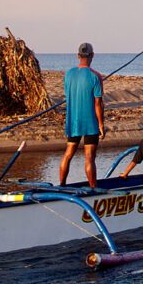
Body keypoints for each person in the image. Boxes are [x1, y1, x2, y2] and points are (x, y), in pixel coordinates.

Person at [58, 42, 105, 188]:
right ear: (92, 55)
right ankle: (93, 189)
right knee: (89, 158)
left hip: (73, 121)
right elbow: (98, 104)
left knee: (68, 154)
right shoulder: (96, 76)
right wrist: (101, 125)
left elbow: (68, 94)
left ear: (78, 56)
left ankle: (62, 185)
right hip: (90, 123)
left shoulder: (68, 74)